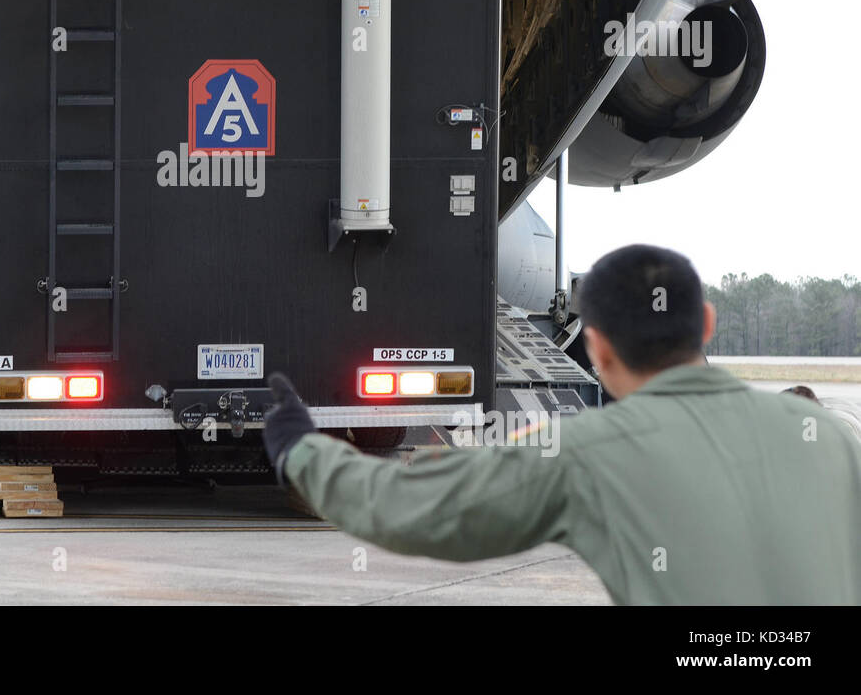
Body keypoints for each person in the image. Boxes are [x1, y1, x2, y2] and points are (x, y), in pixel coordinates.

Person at [264, 244, 861, 604]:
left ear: (595, 349)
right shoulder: (833, 437)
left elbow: (405, 508)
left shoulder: (586, 452)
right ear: (705, 323)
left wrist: (301, 449)